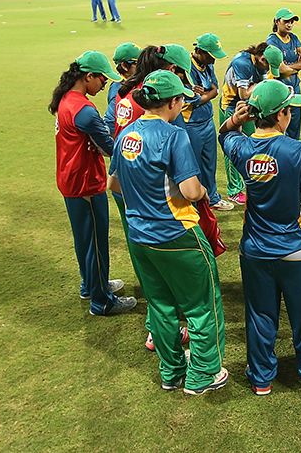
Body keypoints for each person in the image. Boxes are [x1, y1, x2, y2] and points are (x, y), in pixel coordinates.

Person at [219, 79, 301, 398]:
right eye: (289, 109)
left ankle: (261, 378)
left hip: (255, 250)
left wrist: (237, 119)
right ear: (281, 115)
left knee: (260, 315)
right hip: (298, 251)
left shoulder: (241, 148)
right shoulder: (299, 151)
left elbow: (225, 134)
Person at [109, 70, 228, 395]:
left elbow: (114, 184)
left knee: (160, 306)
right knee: (203, 305)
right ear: (173, 101)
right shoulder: (174, 135)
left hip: (140, 237)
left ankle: (171, 372)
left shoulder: (126, 134)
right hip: (178, 234)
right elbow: (190, 191)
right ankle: (203, 375)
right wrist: (203, 191)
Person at [49, 50, 136, 316]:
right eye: (102, 80)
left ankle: (90, 284)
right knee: (97, 242)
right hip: (86, 182)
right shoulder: (84, 110)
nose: (104, 85)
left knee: (84, 239)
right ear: (89, 77)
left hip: (70, 179)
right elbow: (111, 147)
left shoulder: (67, 99)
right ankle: (102, 301)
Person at [218, 43, 282, 204]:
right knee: (232, 148)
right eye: (267, 65)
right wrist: (261, 86)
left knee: (252, 144)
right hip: (233, 107)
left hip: (250, 105)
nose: (267, 69)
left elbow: (261, 86)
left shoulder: (262, 64)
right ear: (261, 57)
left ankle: (251, 181)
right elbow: (243, 93)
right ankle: (234, 190)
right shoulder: (242, 63)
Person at [184, 33, 233, 211]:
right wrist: (206, 94)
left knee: (209, 162)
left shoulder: (207, 64)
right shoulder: (187, 67)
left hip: (206, 120)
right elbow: (192, 100)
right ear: (199, 51)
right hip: (190, 123)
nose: (214, 59)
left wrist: (205, 94)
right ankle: (195, 202)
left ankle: (212, 198)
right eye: (211, 54)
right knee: (193, 165)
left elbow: (215, 89)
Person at [267, 8, 301, 140]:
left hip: (295, 87)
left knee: (295, 124)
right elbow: (281, 70)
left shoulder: (294, 38)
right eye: (286, 21)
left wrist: (289, 68)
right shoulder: (272, 41)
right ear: (277, 21)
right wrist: (296, 67)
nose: (289, 24)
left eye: (292, 21)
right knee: (278, 125)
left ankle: (292, 154)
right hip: (279, 89)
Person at [103, 42, 141, 135]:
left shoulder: (136, 81)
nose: (142, 67)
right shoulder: (118, 88)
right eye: (137, 63)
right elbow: (111, 121)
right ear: (124, 66)